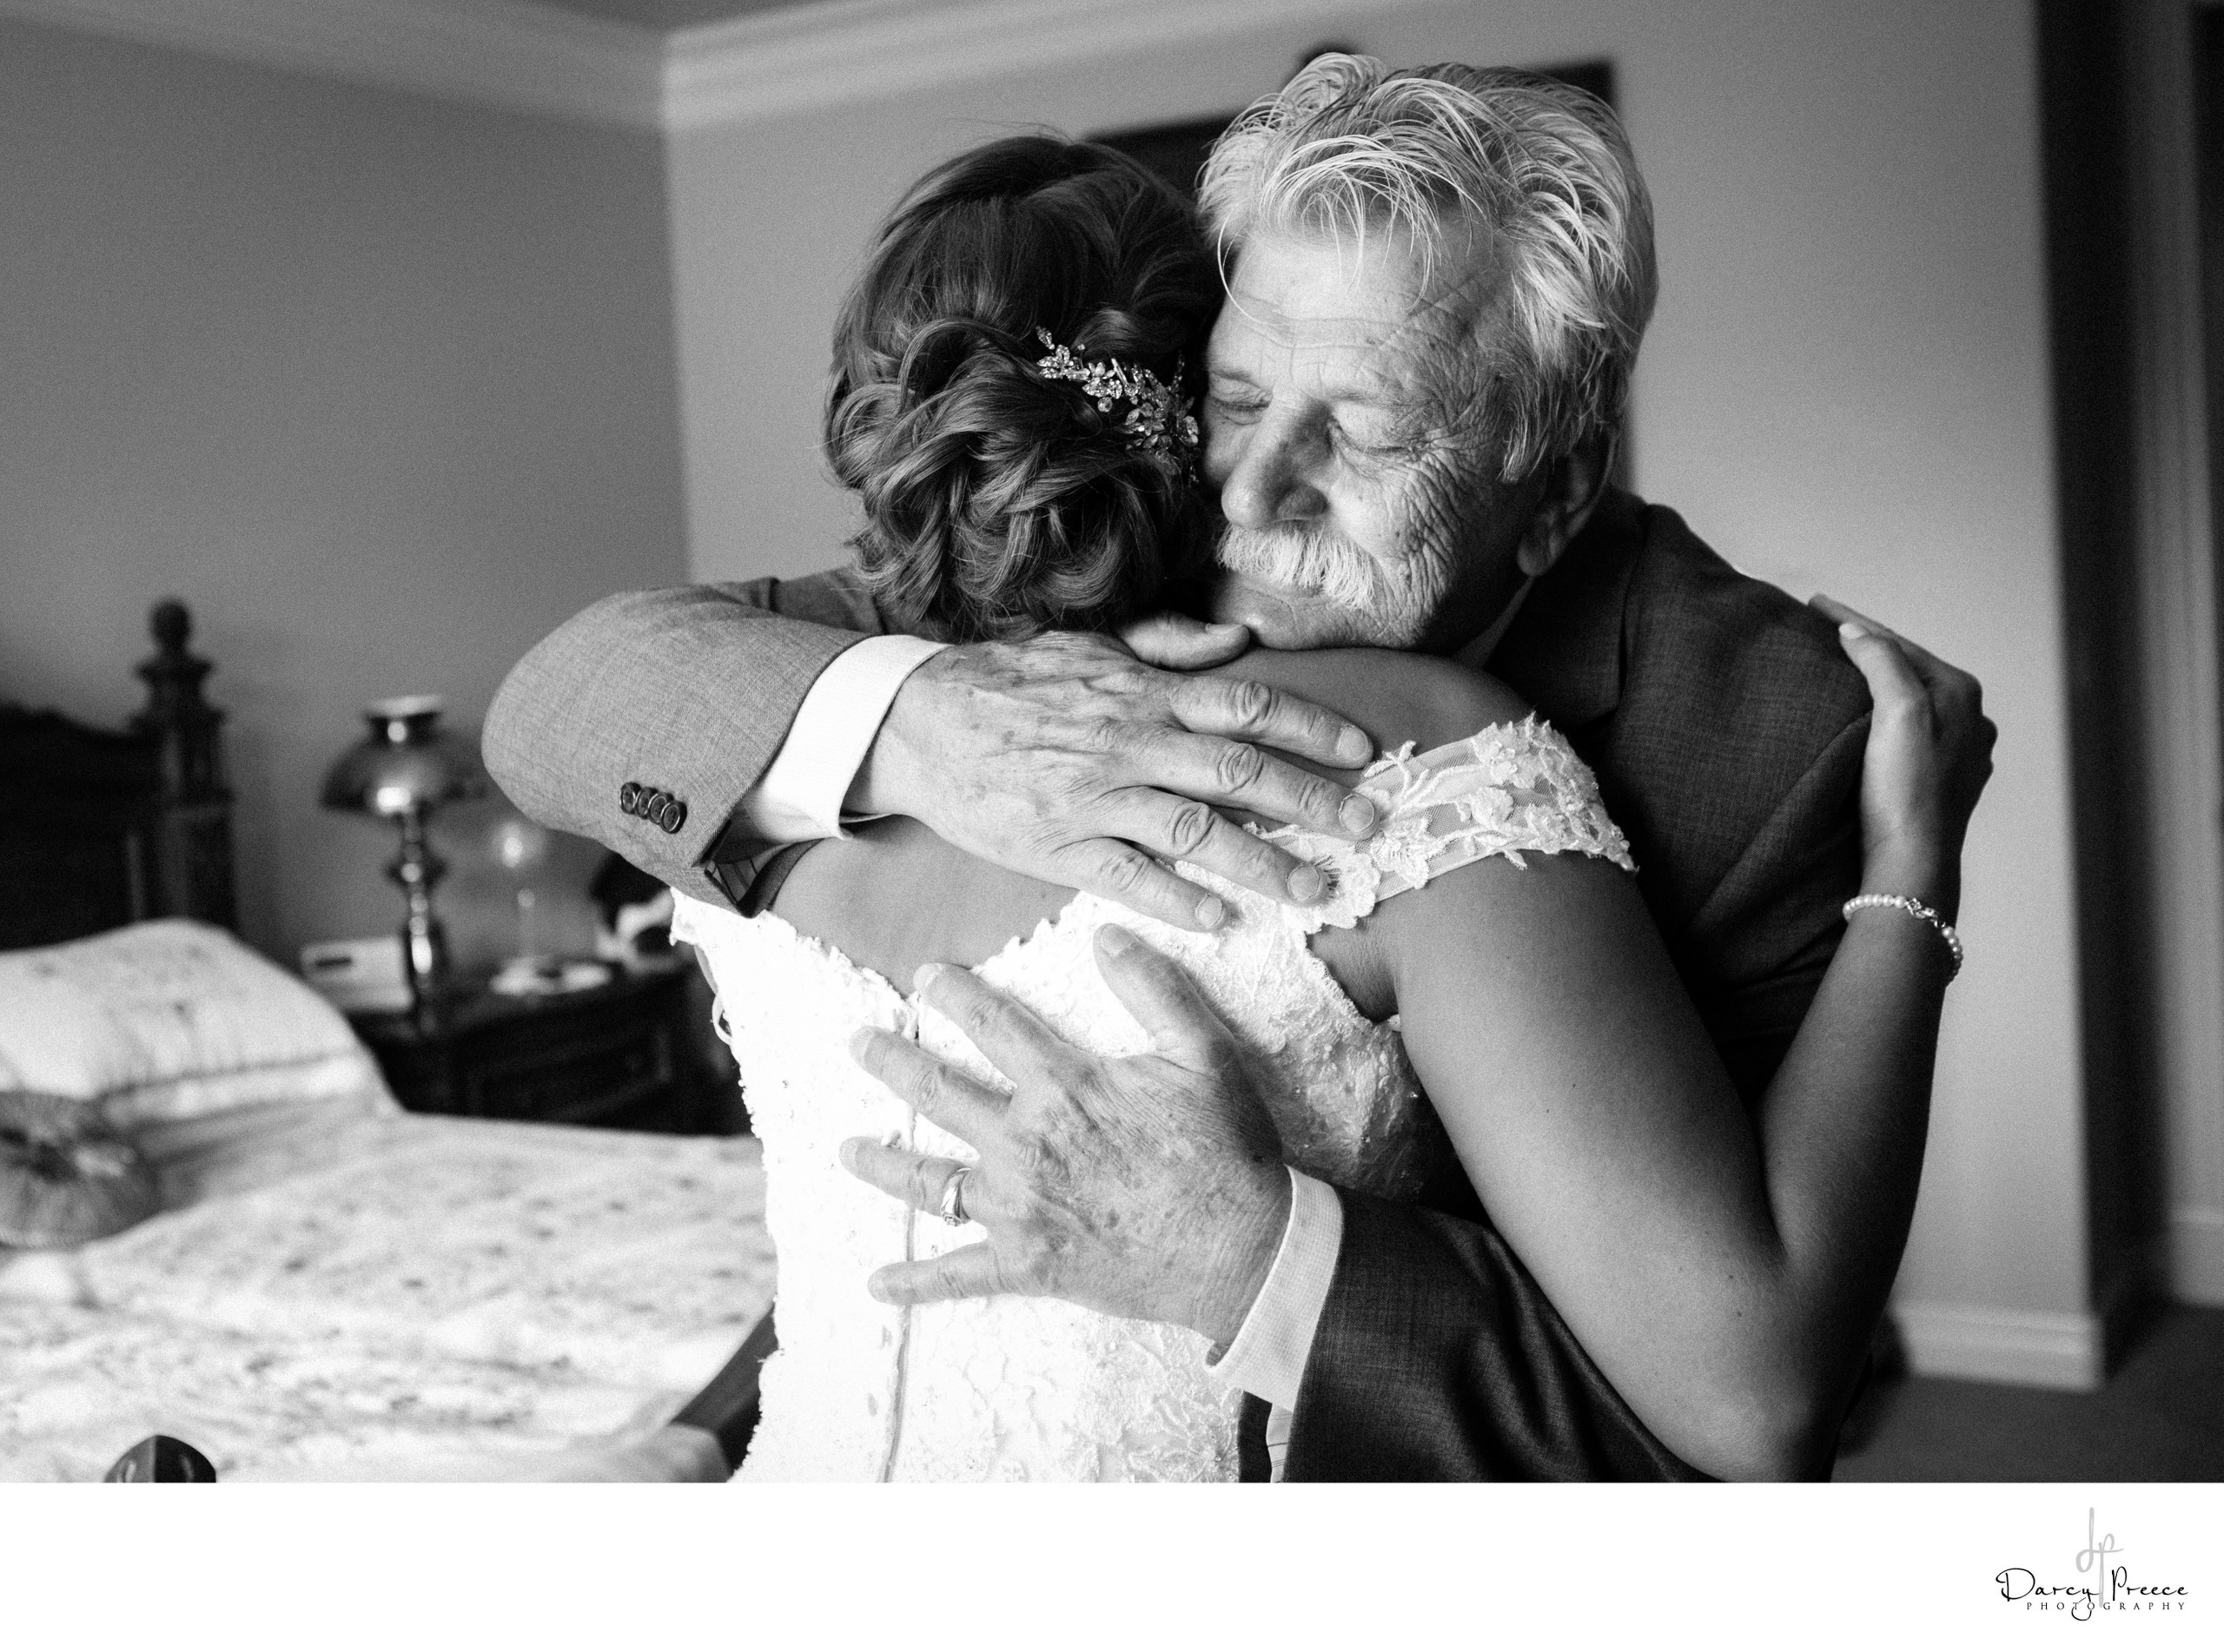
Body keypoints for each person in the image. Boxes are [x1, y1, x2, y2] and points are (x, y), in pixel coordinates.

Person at [484, 61, 1990, 1479]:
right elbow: (571, 697)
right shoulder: (1062, 553)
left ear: (1554, 489)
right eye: (1240, 396)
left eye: (1374, 431)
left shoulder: (1766, 735)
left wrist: (1255, 1258)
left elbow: (1720, 1427)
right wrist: (923, 724)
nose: (1254, 491)